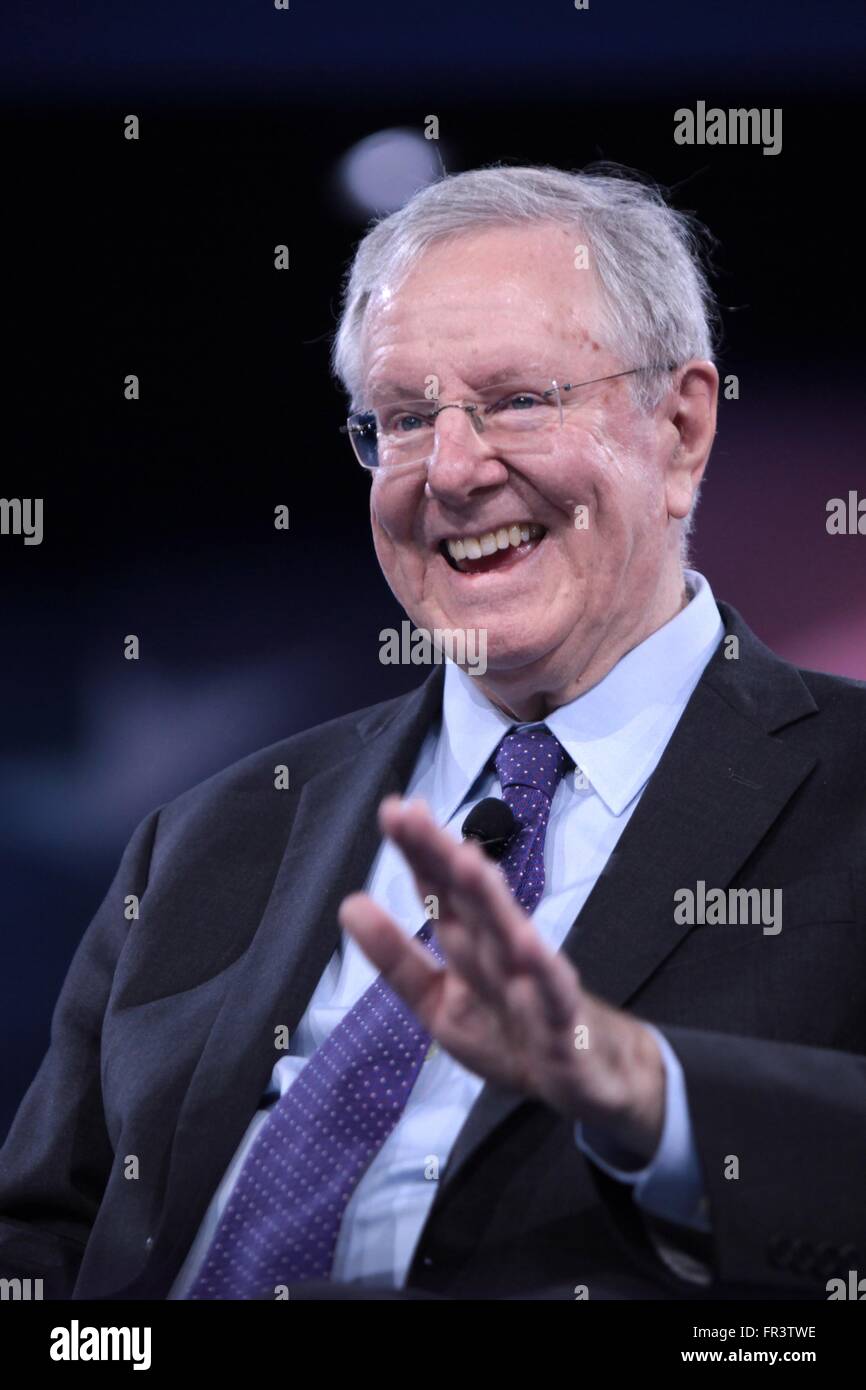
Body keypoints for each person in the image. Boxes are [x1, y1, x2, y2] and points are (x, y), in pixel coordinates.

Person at [1, 164, 863, 1301]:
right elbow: (39, 1240)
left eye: (516, 400)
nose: (450, 472)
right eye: (404, 419)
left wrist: (642, 1089)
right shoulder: (207, 838)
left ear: (679, 428)